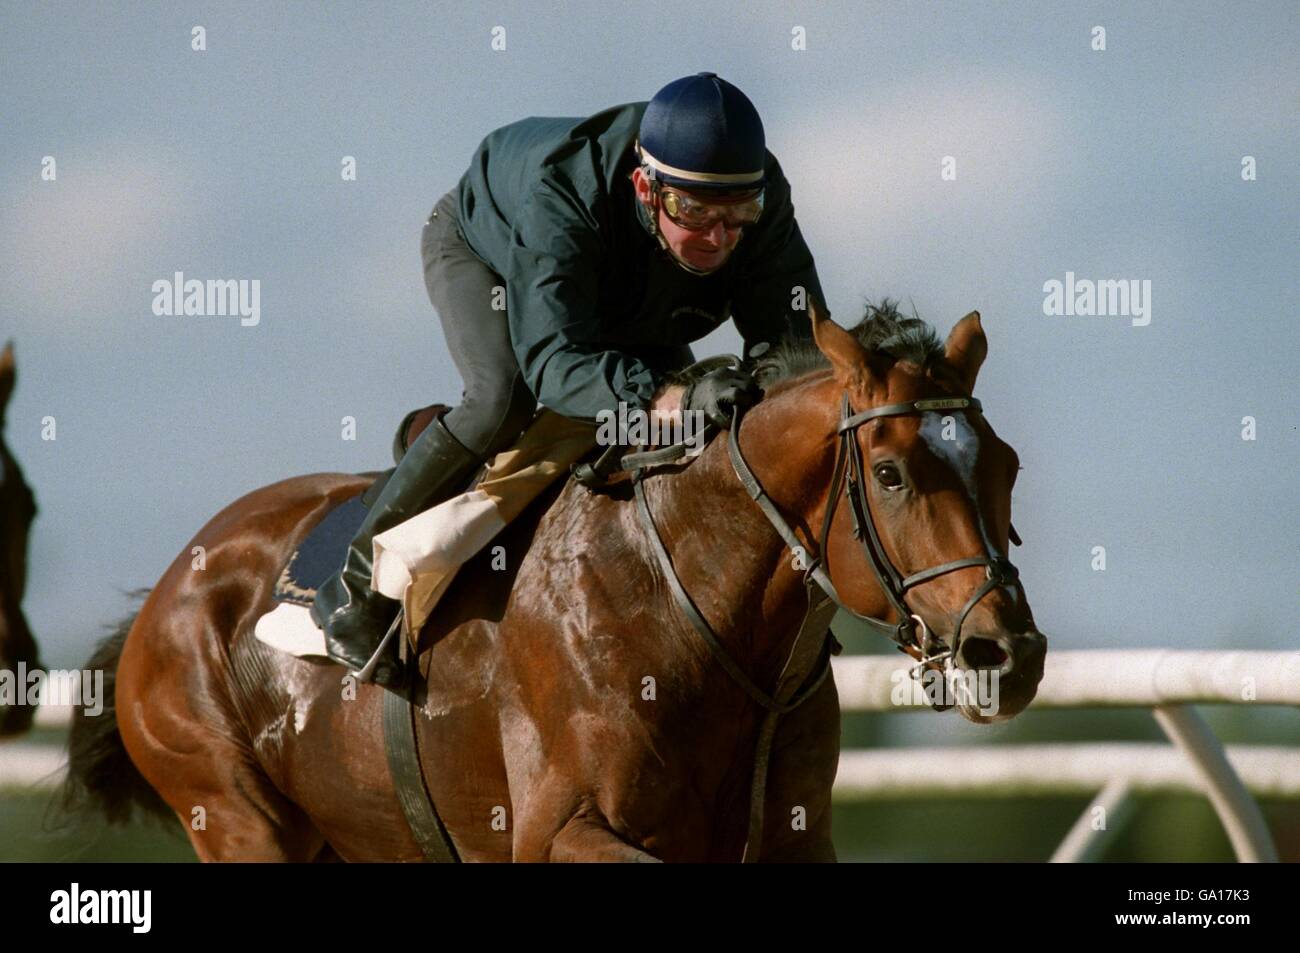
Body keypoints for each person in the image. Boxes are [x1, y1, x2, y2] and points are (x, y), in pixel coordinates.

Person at [311, 71, 830, 689]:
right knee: (501, 399)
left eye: (737, 214)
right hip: (493, 254)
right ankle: (354, 584)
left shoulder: (758, 197)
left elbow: (797, 351)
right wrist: (671, 396)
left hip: (631, 290)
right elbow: (556, 362)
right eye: (692, 211)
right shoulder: (564, 191)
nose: (718, 237)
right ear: (646, 185)